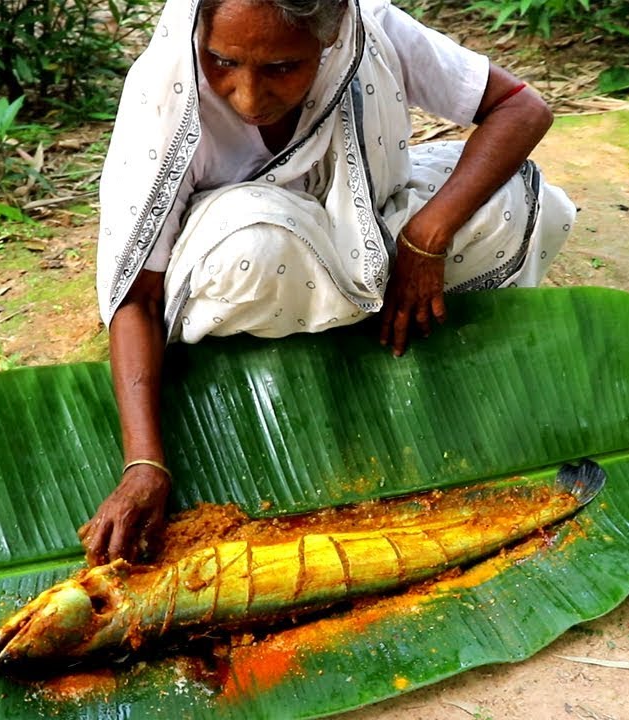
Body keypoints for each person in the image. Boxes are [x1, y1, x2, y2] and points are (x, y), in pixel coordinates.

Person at [81, 0, 576, 565]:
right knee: (256, 247)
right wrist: (144, 464)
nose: (247, 97)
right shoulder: (166, 89)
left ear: (333, 35)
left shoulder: (367, 30)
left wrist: (427, 235)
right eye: (222, 61)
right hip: (258, 255)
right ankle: (300, 341)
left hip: (365, 229)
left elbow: (521, 108)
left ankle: (366, 301)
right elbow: (138, 297)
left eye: (281, 68)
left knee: (520, 206)